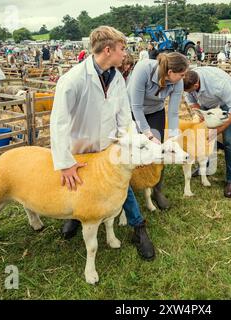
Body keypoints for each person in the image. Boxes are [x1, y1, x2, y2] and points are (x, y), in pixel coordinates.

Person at [50, 26, 155, 260]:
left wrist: (130, 147)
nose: (125, 54)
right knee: (77, 183)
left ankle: (138, 228)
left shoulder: (116, 78)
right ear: (108, 50)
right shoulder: (73, 79)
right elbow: (58, 122)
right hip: (81, 147)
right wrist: (65, 162)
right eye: (122, 48)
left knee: (121, 186)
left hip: (109, 148)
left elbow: (124, 115)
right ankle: (75, 218)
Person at [127, 52, 189, 210]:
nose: (183, 78)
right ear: (170, 73)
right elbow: (136, 107)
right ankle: (130, 189)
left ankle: (157, 190)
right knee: (134, 148)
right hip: (133, 111)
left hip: (156, 111)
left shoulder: (177, 82)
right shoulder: (143, 69)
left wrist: (174, 135)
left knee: (159, 150)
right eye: (181, 74)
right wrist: (147, 134)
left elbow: (174, 111)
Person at [183, 67, 231, 198]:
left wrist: (217, 130)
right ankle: (206, 167)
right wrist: (202, 116)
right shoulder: (188, 80)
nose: (188, 93)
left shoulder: (218, 84)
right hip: (206, 103)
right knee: (204, 134)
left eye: (190, 90)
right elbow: (192, 102)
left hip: (227, 103)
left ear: (196, 85)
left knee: (228, 140)